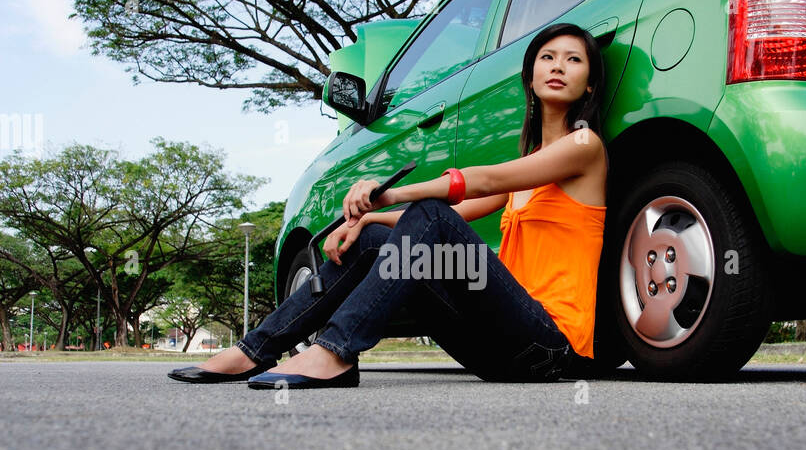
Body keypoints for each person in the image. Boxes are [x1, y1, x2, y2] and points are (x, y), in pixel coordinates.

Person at [168, 22, 608, 389]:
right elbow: (447, 221)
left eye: (573, 59)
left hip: (548, 349)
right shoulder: (528, 167)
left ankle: (336, 352)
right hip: (493, 351)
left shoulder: (585, 147)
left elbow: (482, 181)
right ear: (529, 75)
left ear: (589, 82)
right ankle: (257, 348)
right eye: (547, 57)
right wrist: (367, 218)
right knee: (379, 237)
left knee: (429, 211)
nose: (557, 67)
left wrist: (390, 192)